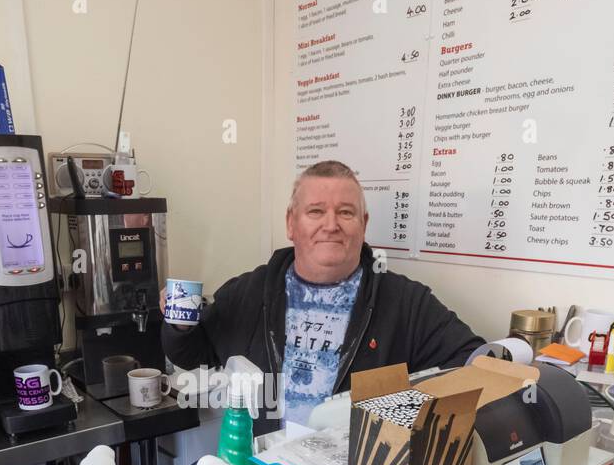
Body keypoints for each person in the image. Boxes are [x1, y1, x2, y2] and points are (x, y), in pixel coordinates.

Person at [162, 160, 484, 429]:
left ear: (363, 224)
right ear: (291, 223)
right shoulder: (249, 291)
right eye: (316, 211)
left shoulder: (406, 303)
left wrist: (400, 414)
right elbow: (192, 353)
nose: (331, 225)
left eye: (345, 212)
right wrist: (180, 325)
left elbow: (469, 363)